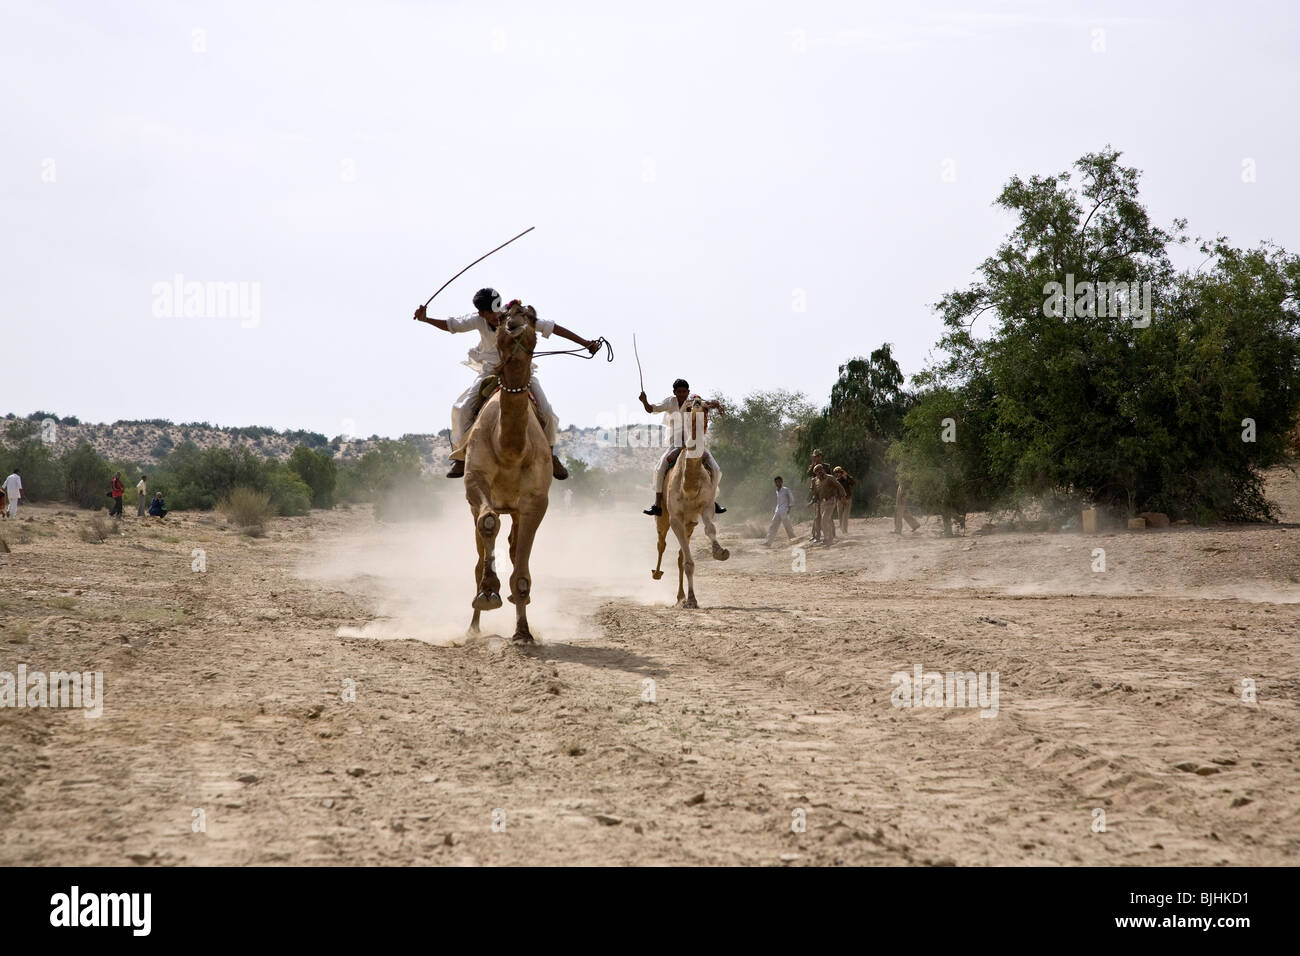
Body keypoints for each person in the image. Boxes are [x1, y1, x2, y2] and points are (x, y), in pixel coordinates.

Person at [414, 287, 602, 480]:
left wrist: (585, 343)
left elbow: (552, 327)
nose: (496, 316)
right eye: (490, 314)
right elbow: (452, 325)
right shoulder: (477, 320)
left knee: (547, 412)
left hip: (521, 372)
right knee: (461, 409)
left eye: (497, 312)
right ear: (481, 313)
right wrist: (426, 319)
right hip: (490, 372)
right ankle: (461, 457)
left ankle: (550, 455)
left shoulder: (517, 317)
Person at [638, 379, 725, 516]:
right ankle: (657, 504)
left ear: (688, 392)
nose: (682, 394)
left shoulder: (694, 401)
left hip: (694, 443)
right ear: (674, 392)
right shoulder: (670, 402)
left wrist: (715, 404)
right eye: (679, 392)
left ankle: (712, 500)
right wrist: (644, 401)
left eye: (684, 392)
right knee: (660, 468)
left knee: (715, 468)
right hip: (676, 443)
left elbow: (708, 404)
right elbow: (651, 409)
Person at [807, 464, 845, 546]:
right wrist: (812, 502)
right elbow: (816, 494)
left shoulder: (830, 478)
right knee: (825, 521)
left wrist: (843, 496)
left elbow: (839, 486)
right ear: (816, 473)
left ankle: (827, 539)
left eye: (820, 469)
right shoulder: (815, 481)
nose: (819, 472)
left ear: (823, 470)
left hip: (830, 501)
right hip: (822, 503)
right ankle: (830, 537)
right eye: (817, 471)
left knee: (824, 520)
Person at [763, 476, 796, 547]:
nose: (778, 483)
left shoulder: (786, 489)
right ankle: (768, 542)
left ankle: (793, 540)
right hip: (778, 510)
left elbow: (791, 499)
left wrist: (789, 508)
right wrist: (776, 510)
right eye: (776, 482)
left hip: (785, 510)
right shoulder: (777, 490)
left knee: (787, 526)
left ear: (782, 481)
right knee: (773, 526)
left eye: (779, 481)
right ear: (775, 483)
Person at [805, 450, 830, 542]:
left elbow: (830, 479)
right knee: (817, 516)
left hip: (825, 493)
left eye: (818, 456)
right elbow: (809, 474)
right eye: (815, 456)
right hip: (816, 492)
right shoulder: (812, 467)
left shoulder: (826, 466)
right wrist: (813, 464)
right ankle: (816, 535)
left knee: (826, 516)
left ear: (821, 456)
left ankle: (830, 534)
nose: (817, 458)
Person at [832, 466, 855, 534]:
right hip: (840, 500)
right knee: (840, 516)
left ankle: (844, 530)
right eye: (836, 472)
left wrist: (847, 476)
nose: (838, 473)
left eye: (839, 472)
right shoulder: (836, 481)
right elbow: (835, 491)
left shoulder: (846, 478)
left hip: (848, 498)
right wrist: (841, 499)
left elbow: (853, 483)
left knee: (845, 516)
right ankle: (842, 529)